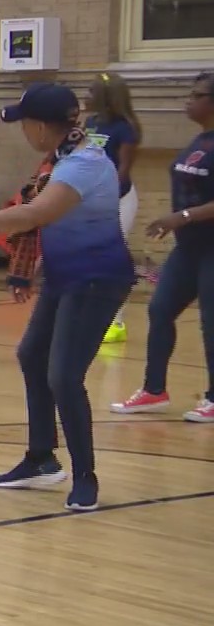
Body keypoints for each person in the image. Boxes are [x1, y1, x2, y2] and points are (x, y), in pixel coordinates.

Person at [0, 83, 133, 512]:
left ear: (42, 126)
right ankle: (41, 458)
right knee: (32, 356)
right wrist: (24, 273)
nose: (22, 130)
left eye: (24, 122)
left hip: (96, 281)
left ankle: (85, 476)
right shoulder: (62, 157)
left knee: (63, 376)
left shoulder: (81, 163)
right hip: (65, 277)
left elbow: (34, 213)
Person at [113, 73, 214, 424]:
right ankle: (154, 390)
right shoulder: (200, 140)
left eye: (196, 95)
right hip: (188, 249)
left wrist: (182, 216)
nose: (188, 100)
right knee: (159, 310)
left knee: (210, 323)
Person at [85, 73, 142, 343]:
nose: (85, 95)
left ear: (106, 96)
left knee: (111, 259)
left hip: (119, 199)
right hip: (92, 199)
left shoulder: (124, 128)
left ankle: (116, 322)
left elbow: (123, 169)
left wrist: (105, 198)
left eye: (90, 91)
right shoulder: (90, 123)